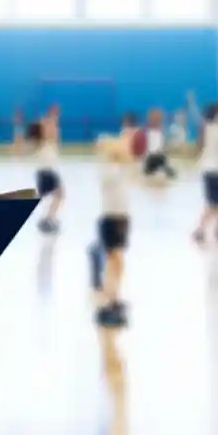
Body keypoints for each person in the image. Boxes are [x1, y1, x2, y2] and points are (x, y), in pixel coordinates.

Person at [88, 135, 132, 328]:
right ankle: (107, 300)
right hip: (111, 220)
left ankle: (114, 297)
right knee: (114, 261)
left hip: (121, 219)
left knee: (118, 263)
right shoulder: (108, 170)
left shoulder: (118, 170)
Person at [192, 102, 218, 244]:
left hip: (211, 169)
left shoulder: (207, 129)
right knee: (215, 204)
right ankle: (200, 230)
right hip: (216, 170)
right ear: (217, 115)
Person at [30, 105, 64, 234]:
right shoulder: (45, 128)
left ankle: (47, 218)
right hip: (46, 169)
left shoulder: (49, 130)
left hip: (47, 168)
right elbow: (49, 133)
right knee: (58, 194)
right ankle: (47, 219)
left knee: (55, 195)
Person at [141, 108, 176, 181]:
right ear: (149, 119)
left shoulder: (163, 134)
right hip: (150, 159)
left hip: (160, 159)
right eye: (154, 118)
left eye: (158, 119)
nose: (156, 121)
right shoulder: (144, 133)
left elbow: (165, 149)